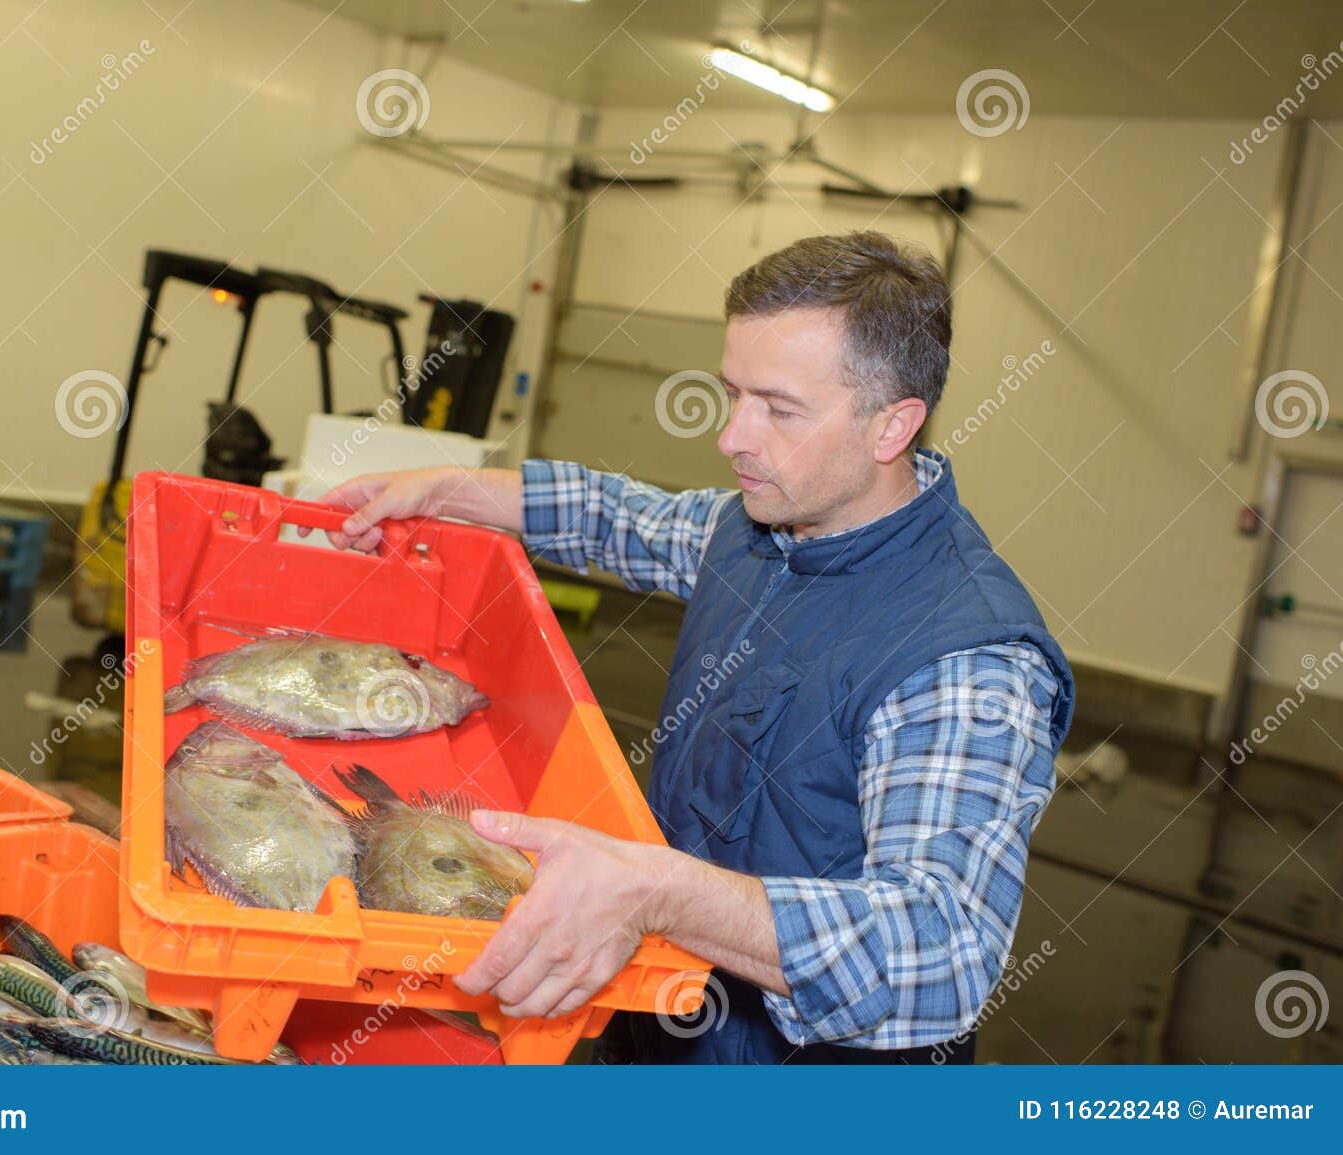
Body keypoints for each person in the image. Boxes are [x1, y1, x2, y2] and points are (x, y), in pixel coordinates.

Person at [308, 231, 1074, 1064]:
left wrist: (660, 891)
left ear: (893, 426)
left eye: (779, 409)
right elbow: (617, 515)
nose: (733, 436)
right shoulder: (763, 525)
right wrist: (443, 486)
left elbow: (940, 956)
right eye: (732, 394)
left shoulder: (962, 657)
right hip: (652, 1018)